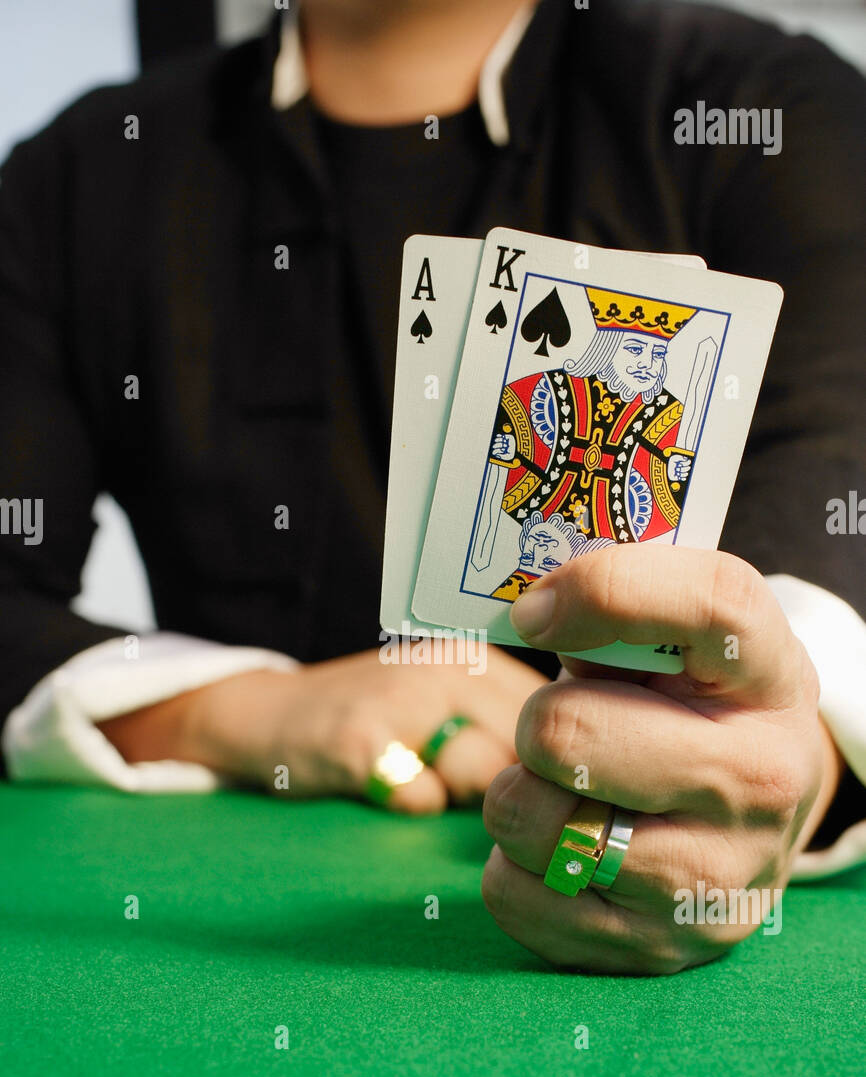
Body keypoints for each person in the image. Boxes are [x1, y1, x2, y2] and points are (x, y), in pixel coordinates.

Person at [0, 0, 864, 974]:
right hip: (209, 951)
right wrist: (241, 709)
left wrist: (784, 760)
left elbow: (834, 537)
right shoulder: (81, 170)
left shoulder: (773, 112)